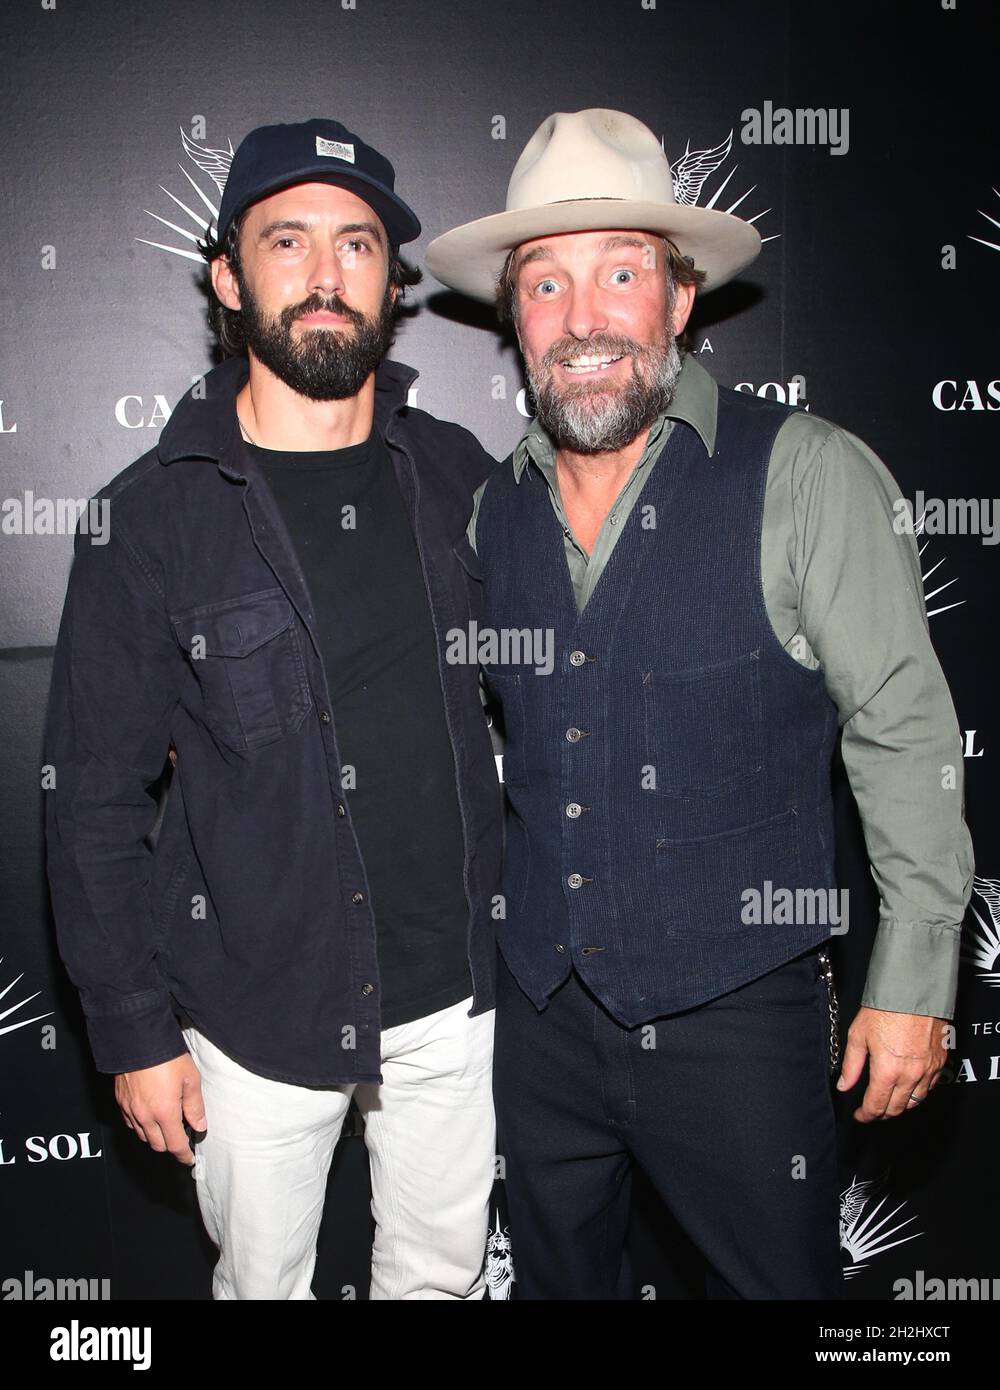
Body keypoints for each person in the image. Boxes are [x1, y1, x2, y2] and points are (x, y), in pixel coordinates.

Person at [425, 108, 975, 1299]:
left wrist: (914, 977)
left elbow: (906, 733)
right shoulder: (490, 511)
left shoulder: (807, 472)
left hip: (739, 1025)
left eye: (620, 274)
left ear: (677, 302)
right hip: (541, 1022)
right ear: (513, 322)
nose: (581, 321)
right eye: (546, 285)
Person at [43, 118, 503, 1300]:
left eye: (355, 245)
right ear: (227, 275)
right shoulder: (145, 521)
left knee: (441, 1281)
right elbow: (91, 799)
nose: (323, 273)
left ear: (390, 285)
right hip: (253, 1010)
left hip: (455, 1001)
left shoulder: (460, 474)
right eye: (285, 240)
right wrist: (132, 1029)